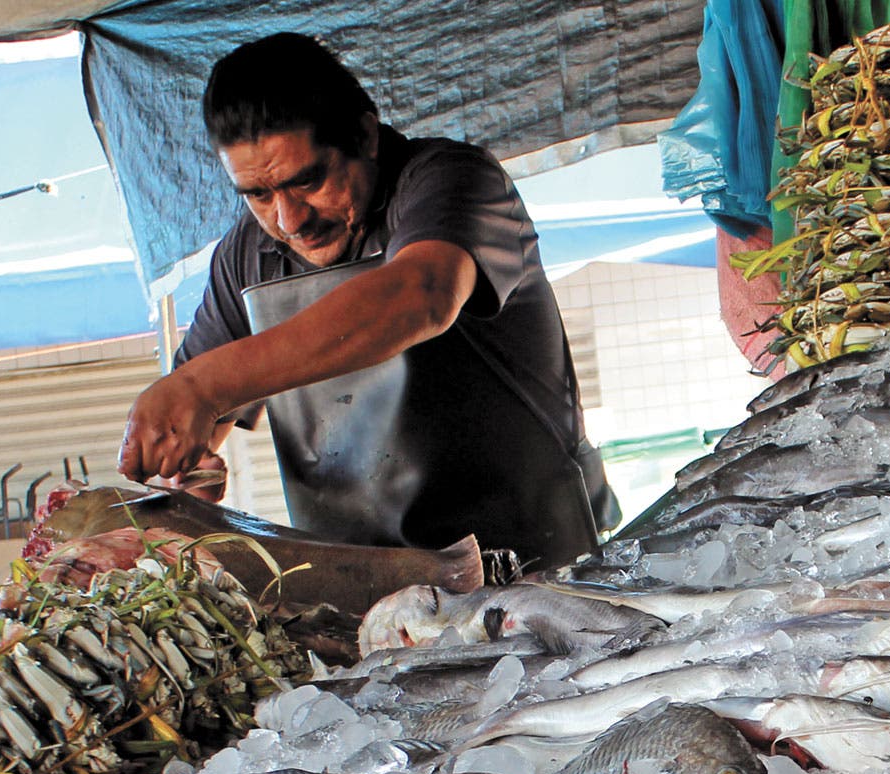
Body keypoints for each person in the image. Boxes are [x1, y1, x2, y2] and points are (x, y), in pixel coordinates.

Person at [117, 33, 617, 573]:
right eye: (259, 195)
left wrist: (202, 384)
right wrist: (186, 463)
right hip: (365, 589)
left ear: (364, 134)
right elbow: (198, 429)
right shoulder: (246, 255)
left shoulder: (447, 180)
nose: (289, 220)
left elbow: (421, 293)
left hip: (537, 561)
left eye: (307, 181)